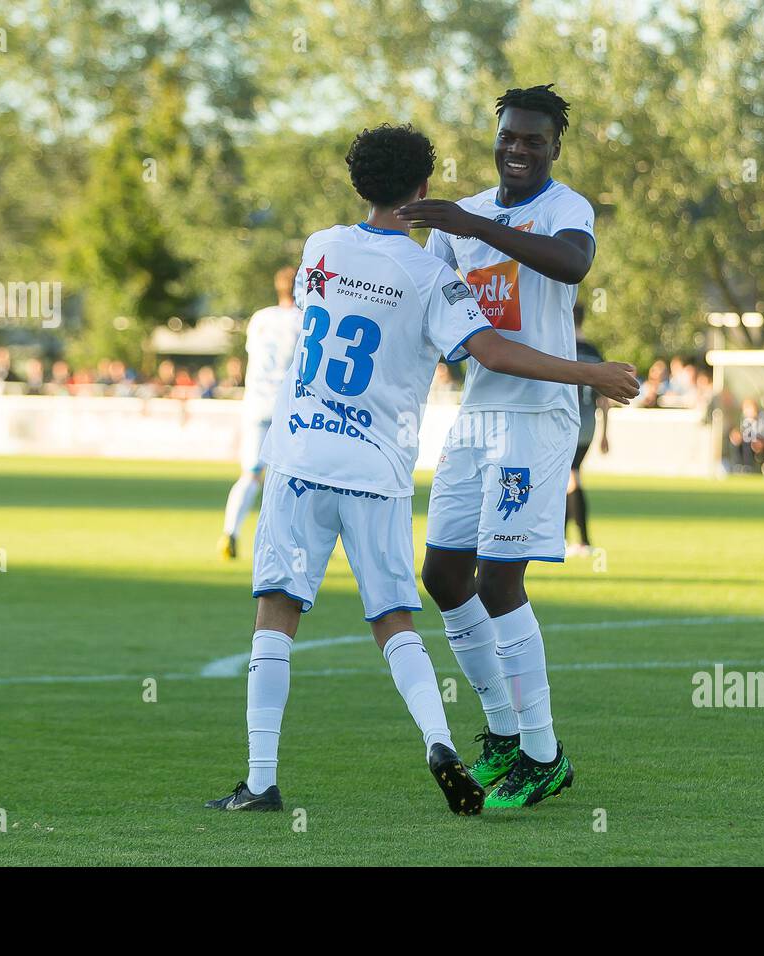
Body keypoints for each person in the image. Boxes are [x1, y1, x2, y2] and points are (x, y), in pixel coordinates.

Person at [204, 123, 637, 815]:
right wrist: (590, 372)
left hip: (299, 455)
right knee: (396, 617)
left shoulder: (319, 248)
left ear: (357, 182)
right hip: (375, 467)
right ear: (425, 188)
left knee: (276, 614)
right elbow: (486, 352)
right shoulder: (431, 272)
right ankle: (441, 740)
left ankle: (260, 781)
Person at [395, 84, 598, 808]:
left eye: (532, 140)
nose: (517, 148)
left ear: (554, 148)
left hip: (538, 415)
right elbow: (434, 302)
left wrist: (474, 225)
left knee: (498, 582)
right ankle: (506, 737)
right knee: (445, 574)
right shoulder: (460, 219)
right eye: (508, 135)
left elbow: (571, 265)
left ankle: (544, 755)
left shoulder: (565, 210)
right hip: (478, 413)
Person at [220, 266, 302, 559]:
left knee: (251, 474)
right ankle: (295, 542)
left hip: (256, 402)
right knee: (296, 477)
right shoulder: (304, 320)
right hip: (289, 406)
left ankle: (230, 531)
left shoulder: (260, 318)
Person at [565, 303, 610, 556]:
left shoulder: (564, 349)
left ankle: (582, 541)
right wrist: (605, 434)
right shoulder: (594, 352)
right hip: (589, 426)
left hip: (567, 424)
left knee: (570, 477)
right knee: (569, 477)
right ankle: (564, 539)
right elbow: (603, 399)